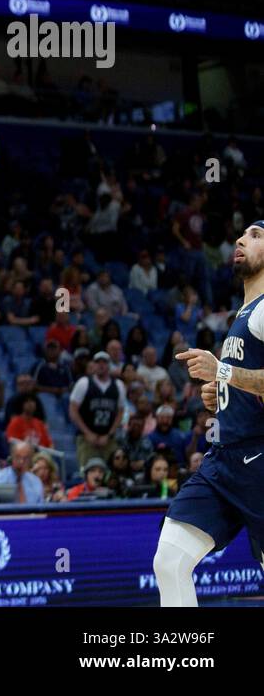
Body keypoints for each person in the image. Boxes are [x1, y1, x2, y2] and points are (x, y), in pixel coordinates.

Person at [156, 220, 264, 606]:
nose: (240, 239)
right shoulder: (244, 311)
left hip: (259, 461)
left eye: (256, 236)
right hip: (224, 463)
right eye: (241, 234)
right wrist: (223, 393)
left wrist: (221, 371)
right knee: (169, 560)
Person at [69, 351, 123, 469]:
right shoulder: (84, 383)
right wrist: (88, 433)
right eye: (98, 362)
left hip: (108, 438)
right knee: (88, 472)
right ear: (93, 365)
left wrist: (109, 434)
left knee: (112, 472)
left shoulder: (118, 385)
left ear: (109, 365)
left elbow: (120, 412)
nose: (101, 365)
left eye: (104, 362)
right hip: (86, 438)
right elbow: (73, 410)